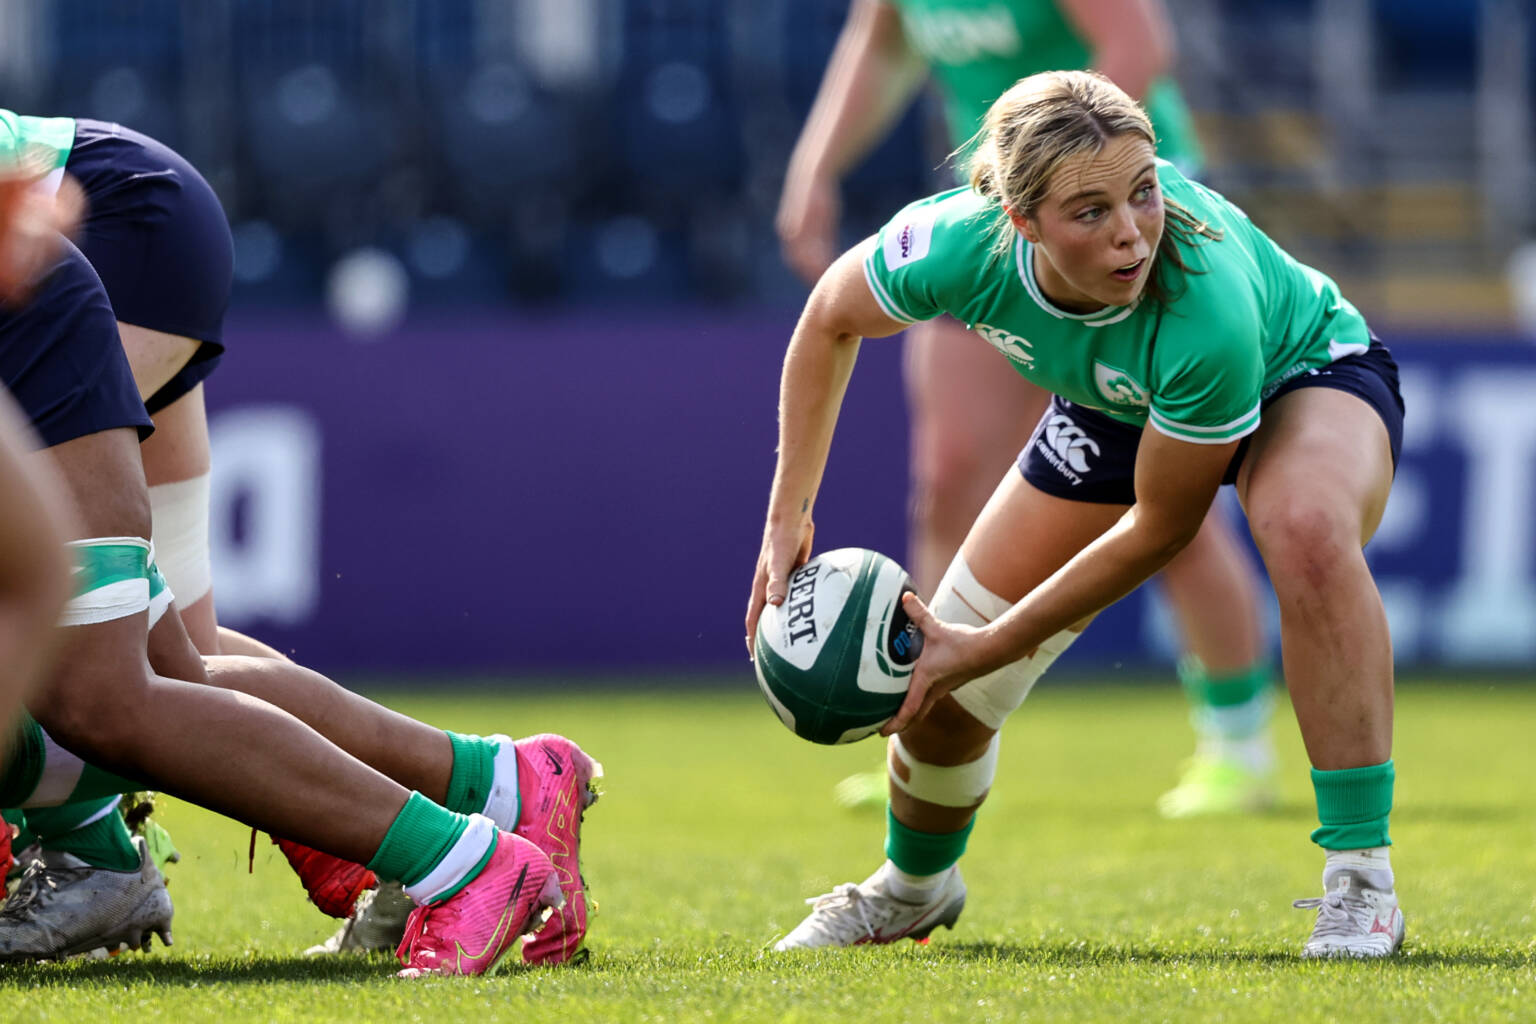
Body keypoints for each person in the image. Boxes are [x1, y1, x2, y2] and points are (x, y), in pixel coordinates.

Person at [749, 70, 1406, 959]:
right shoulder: (958, 245)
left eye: (1144, 191)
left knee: (1304, 531)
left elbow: (1161, 526)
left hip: (1304, 372)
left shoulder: (1200, 297)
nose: (1133, 232)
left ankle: (1361, 881)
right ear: (1019, 222)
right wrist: (787, 515)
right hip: (1121, 404)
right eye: (1090, 212)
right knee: (941, 688)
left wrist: (990, 642)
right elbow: (830, 317)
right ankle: (913, 890)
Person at [0, 110, 599, 975]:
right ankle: (493, 788)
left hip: (89, 236)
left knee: (102, 692)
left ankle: (460, 858)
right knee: (168, 671)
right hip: (114, 226)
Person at [778, 0, 1276, 817]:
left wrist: (1071, 193)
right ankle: (926, 722)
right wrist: (815, 168)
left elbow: (1139, 44)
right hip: (1002, 221)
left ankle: (1238, 743)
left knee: (1162, 498)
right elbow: (875, 50)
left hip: (1121, 222)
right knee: (946, 474)